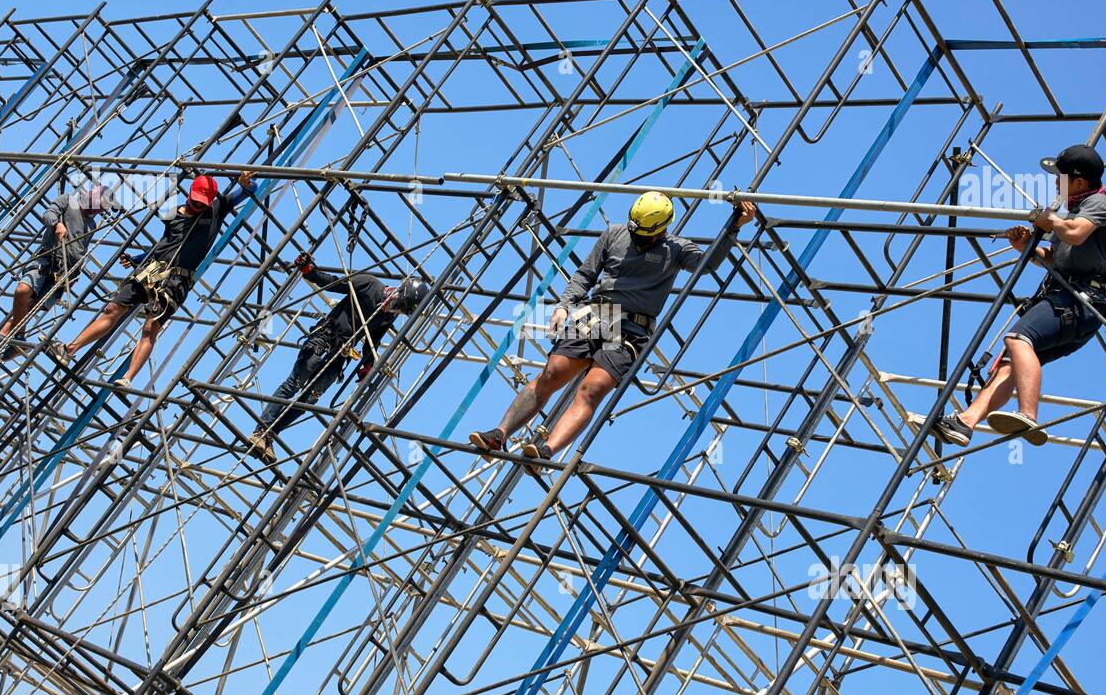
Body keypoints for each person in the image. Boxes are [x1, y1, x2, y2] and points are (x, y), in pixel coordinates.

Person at [469, 190, 757, 472]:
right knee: (552, 371)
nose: (639, 240)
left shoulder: (675, 249)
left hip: (632, 328)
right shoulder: (614, 234)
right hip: (597, 314)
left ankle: (546, 451)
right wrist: (564, 306)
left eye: (646, 236)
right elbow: (585, 274)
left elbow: (708, 264)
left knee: (592, 388)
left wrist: (733, 226)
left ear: (662, 230)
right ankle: (500, 434)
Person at [924, 144, 1106, 448]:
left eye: (1061, 177)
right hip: (1069, 299)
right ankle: (966, 422)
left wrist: (1047, 220)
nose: (1056, 182)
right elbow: (1056, 258)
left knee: (1017, 340)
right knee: (1010, 362)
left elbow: (1076, 233)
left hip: (1081, 300)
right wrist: (1027, 247)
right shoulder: (1070, 213)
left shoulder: (1099, 203)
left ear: (1080, 182)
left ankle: (1029, 415)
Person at [49, 172, 256, 388]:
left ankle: (127, 379)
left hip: (176, 280)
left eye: (202, 203)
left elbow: (249, 190)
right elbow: (164, 245)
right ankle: (70, 349)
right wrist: (138, 258)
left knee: (150, 327)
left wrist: (245, 183)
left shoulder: (215, 209)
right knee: (113, 308)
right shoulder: (174, 214)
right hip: (151, 270)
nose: (198, 206)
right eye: (196, 201)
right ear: (190, 195)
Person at [244, 253, 430, 464]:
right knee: (294, 383)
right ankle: (260, 430)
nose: (393, 308)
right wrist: (310, 272)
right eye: (397, 303)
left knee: (310, 400)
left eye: (399, 308)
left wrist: (368, 365)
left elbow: (372, 341)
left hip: (341, 355)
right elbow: (334, 283)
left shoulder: (389, 315)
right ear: (398, 291)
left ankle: (269, 435)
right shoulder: (370, 284)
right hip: (325, 338)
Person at [0, 184, 111, 360]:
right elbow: (48, 213)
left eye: (100, 210)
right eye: (98, 206)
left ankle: (1, 339)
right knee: (22, 291)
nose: (96, 211)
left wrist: (74, 274)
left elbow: (81, 250)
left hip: (63, 272)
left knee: (30, 306)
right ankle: (18, 338)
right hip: (46, 259)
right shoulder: (68, 200)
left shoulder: (91, 225)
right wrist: (57, 224)